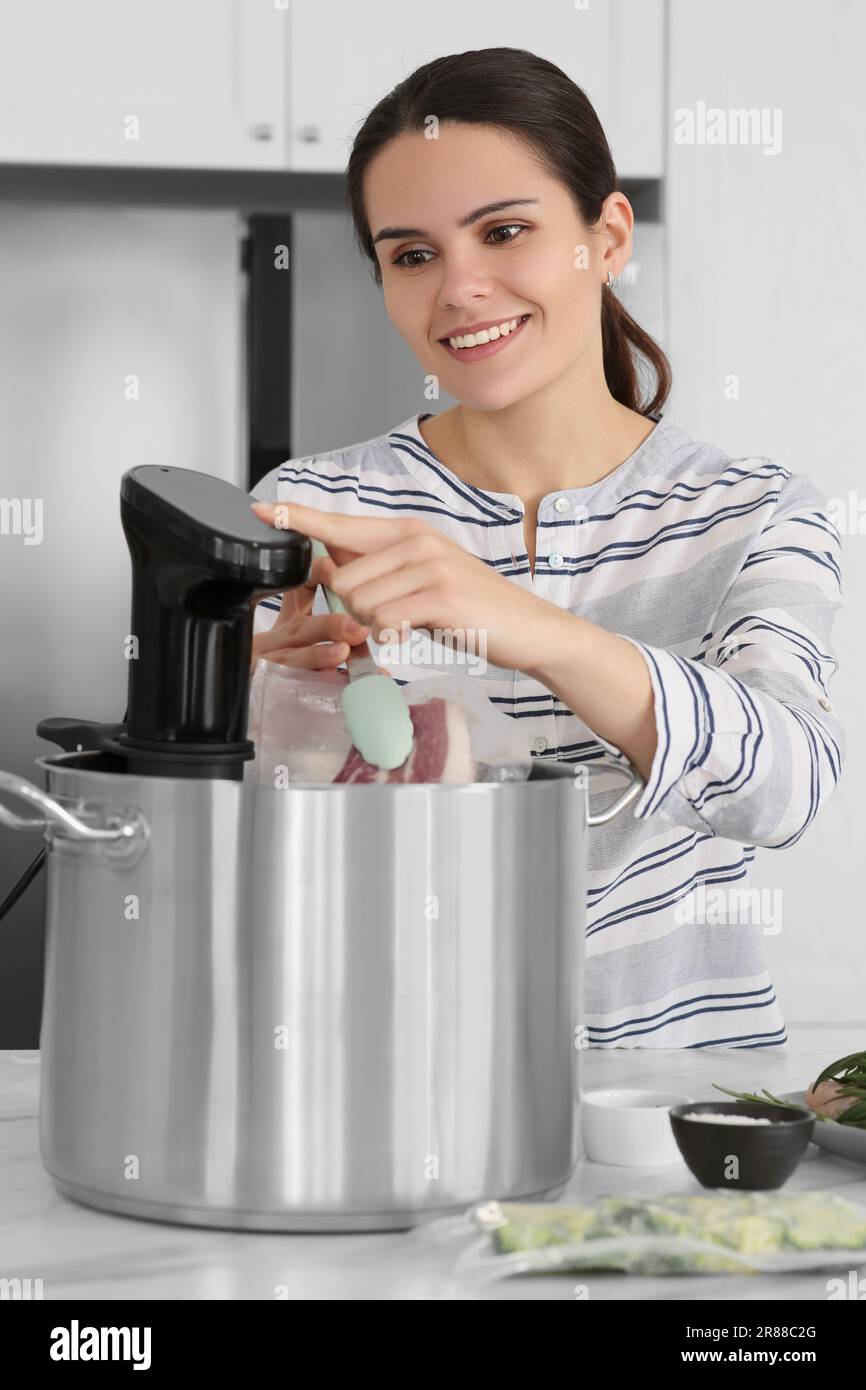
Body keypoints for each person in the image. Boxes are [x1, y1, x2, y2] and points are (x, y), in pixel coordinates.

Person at [248, 48, 844, 1049]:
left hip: (672, 1116)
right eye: (412, 254)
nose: (458, 287)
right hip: (386, 1082)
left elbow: (785, 789)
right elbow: (257, 851)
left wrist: (529, 631)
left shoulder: (750, 509)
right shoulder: (316, 510)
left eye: (504, 231)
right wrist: (253, 714)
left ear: (604, 238)